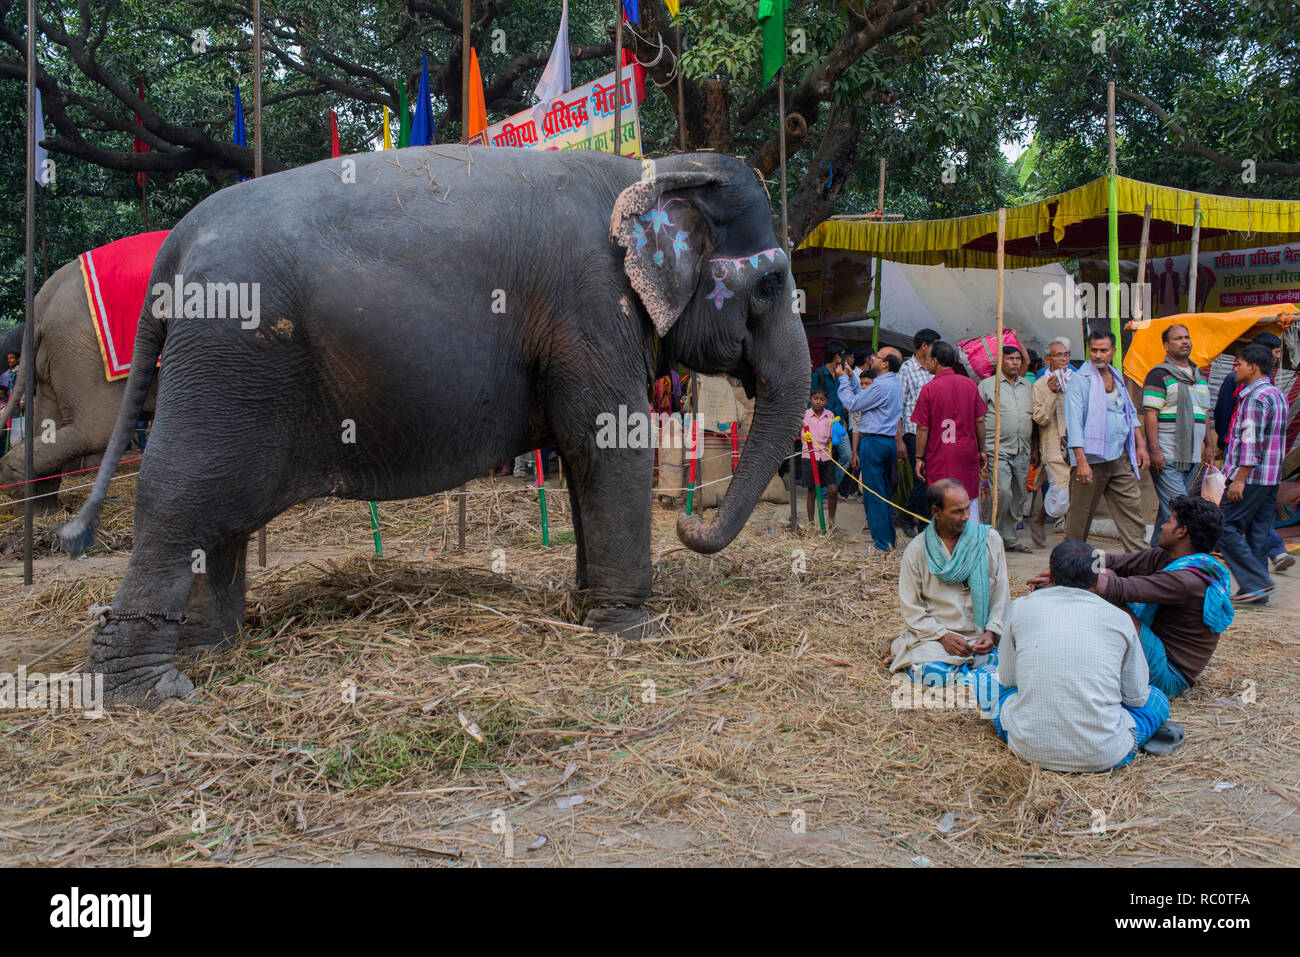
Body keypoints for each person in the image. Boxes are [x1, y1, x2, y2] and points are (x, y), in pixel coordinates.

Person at [982, 540, 1171, 773]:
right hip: (1106, 755)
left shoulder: (1020, 607)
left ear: (1051, 575)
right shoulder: (1120, 618)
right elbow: (1135, 698)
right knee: (1158, 698)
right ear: (1095, 579)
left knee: (988, 681)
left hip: (1027, 748)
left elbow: (1008, 680)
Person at [1088, 495, 1234, 700]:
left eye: (1168, 521)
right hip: (1156, 651)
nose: (1163, 527)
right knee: (1104, 574)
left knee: (1109, 596)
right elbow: (1112, 561)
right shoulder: (1168, 557)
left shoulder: (1186, 580)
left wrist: (1068, 571)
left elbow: (1115, 588)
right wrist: (1073, 560)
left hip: (1170, 675)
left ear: (1181, 532)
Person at [887, 479, 1009, 690]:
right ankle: (977, 681)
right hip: (936, 640)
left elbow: (1001, 593)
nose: (966, 516)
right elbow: (911, 607)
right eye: (957, 512)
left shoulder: (989, 540)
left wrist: (991, 632)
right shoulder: (916, 550)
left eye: (967, 509)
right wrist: (943, 636)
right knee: (929, 672)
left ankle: (967, 678)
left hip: (981, 639)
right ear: (936, 512)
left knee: (1006, 665)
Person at [1063, 330, 1150, 551]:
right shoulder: (1079, 381)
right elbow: (1074, 424)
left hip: (1119, 456)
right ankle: (1069, 564)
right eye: (1094, 350)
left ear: (1113, 351)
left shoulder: (1117, 377)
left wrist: (1140, 446)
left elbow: (1130, 414)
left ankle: (1140, 561)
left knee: (1132, 511)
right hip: (1090, 458)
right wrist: (1081, 461)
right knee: (1080, 517)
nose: (1098, 355)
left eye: (1103, 350)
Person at [1213, 332, 1292, 571]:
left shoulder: (1255, 398)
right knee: (1258, 532)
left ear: (1253, 367)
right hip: (1270, 477)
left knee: (1224, 527)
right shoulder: (1277, 395)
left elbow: (1251, 441)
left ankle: (1255, 582)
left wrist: (1239, 479)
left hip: (1251, 476)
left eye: (1240, 365)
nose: (1235, 369)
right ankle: (1257, 592)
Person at [1142, 323, 1215, 545]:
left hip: (1191, 456)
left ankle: (1154, 556)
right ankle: (1168, 560)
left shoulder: (1199, 377)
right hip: (1167, 454)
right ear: (1166, 345)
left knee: (1169, 510)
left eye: (1187, 337)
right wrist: (1154, 450)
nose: (1184, 341)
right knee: (1180, 508)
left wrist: (1209, 446)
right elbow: (1150, 414)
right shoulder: (1159, 375)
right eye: (1178, 338)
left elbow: (1203, 414)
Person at [912, 341, 988, 525]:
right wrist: (981, 450)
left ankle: (944, 543)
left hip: (940, 455)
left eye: (928, 359)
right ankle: (971, 542)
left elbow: (922, 428)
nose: (927, 362)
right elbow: (980, 420)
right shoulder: (970, 385)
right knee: (968, 497)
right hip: (966, 453)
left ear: (935, 361)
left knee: (941, 498)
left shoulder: (929, 389)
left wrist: (919, 457)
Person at [840, 350, 902, 552]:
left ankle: (882, 545)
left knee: (873, 495)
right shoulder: (892, 383)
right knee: (884, 493)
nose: (872, 358)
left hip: (873, 442)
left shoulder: (882, 385)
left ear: (885, 364)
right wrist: (852, 379)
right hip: (887, 442)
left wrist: (842, 380)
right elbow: (865, 396)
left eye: (878, 356)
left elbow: (853, 403)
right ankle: (889, 540)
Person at [978, 345, 1037, 552]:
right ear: (1000, 361)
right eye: (1010, 359)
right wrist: (980, 448)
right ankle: (993, 536)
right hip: (997, 448)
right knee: (1002, 492)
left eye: (1017, 359)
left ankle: (1010, 538)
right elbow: (977, 418)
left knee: (1019, 494)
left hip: (1023, 448)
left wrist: (1035, 449)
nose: (1015, 363)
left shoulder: (1026, 386)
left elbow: (1034, 419)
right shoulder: (987, 386)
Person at [1030, 337, 1074, 543]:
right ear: (1048, 359)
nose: (1064, 359)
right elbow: (1039, 418)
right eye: (1059, 355)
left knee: (1077, 492)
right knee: (1061, 496)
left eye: (1066, 355)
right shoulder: (1040, 385)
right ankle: (1040, 518)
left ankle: (1073, 537)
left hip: (1076, 445)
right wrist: (1053, 395)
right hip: (1054, 445)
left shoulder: (1076, 379)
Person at [898, 329, 940, 535]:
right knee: (922, 477)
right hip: (913, 431)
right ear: (925, 346)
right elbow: (899, 405)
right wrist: (900, 440)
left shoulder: (936, 368)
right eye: (935, 344)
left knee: (928, 478)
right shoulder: (907, 369)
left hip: (934, 432)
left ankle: (910, 517)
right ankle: (915, 520)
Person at [800, 385, 838, 527]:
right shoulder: (804, 415)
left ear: (826, 402)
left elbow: (833, 434)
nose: (818, 402)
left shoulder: (830, 415)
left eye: (822, 399)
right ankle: (811, 523)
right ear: (810, 400)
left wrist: (834, 437)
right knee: (812, 491)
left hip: (826, 457)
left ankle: (831, 521)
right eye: (815, 398)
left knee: (832, 489)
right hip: (810, 457)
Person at [810, 340, 848, 423]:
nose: (845, 359)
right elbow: (810, 402)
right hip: (823, 423)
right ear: (837, 356)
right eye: (843, 356)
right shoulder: (817, 374)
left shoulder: (839, 375)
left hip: (839, 421)